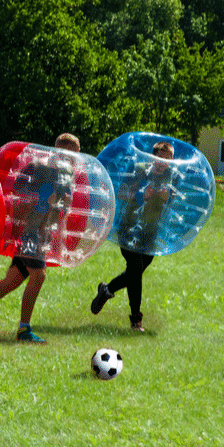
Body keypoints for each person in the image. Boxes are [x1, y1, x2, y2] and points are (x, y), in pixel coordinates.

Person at [0, 133, 81, 343]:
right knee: (39, 275)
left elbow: (62, 203)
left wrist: (63, 205)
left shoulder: (67, 173)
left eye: (74, 157)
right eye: (67, 156)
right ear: (56, 151)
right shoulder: (36, 167)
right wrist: (42, 199)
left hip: (43, 232)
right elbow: (17, 196)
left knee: (12, 281)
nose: (70, 161)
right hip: (28, 230)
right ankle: (24, 330)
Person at [91, 141, 177, 332]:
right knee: (136, 268)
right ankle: (136, 320)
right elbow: (120, 192)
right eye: (159, 157)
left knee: (134, 273)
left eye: (167, 159)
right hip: (129, 228)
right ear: (152, 157)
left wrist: (168, 197)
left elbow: (174, 201)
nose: (163, 162)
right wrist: (138, 195)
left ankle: (107, 290)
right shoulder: (139, 170)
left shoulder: (173, 176)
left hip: (151, 232)